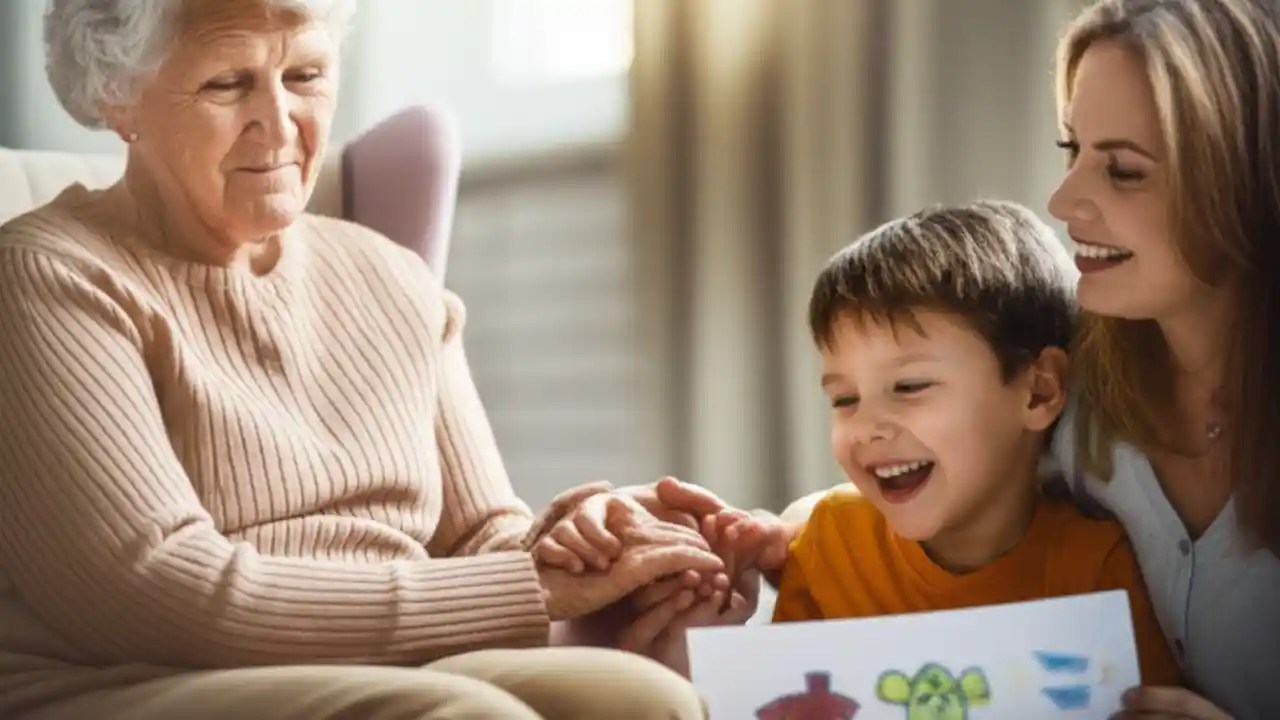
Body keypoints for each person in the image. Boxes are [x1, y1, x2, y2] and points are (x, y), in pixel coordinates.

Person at [0, 1, 723, 718]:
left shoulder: (391, 276)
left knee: (643, 701)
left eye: (305, 75)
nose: (280, 125)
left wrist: (596, 544)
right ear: (117, 94)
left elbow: (484, 540)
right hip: (127, 677)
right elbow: (154, 591)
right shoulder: (49, 275)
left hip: (396, 665)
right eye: (228, 84)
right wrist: (531, 587)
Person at [608, 2, 1280, 718]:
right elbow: (946, 469)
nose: (1063, 199)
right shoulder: (1078, 383)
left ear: (1242, 176)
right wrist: (773, 539)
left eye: (1121, 170)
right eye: (1071, 152)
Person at [541, 201, 1181, 689]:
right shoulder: (828, 546)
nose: (867, 427)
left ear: (1038, 391)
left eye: (909, 386)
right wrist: (707, 661)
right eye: (844, 398)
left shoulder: (1096, 568)